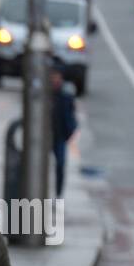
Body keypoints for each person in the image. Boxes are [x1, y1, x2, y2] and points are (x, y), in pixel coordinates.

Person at [50, 64, 79, 197]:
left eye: (58, 77)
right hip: (45, 136)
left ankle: (58, 194)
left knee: (60, 164)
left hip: (60, 136)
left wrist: (71, 131)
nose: (56, 80)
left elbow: (71, 116)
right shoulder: (46, 95)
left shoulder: (66, 96)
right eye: (53, 77)